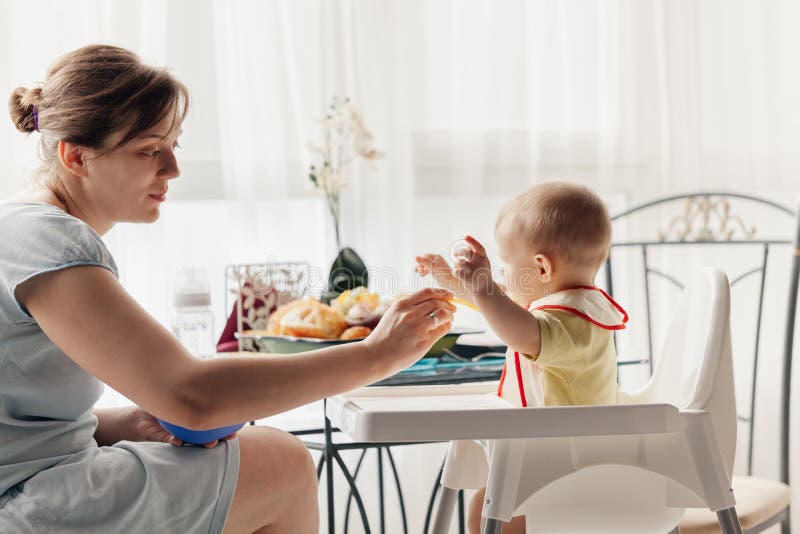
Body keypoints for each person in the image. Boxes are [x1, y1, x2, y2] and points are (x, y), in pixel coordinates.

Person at [0, 44, 456, 534]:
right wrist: (375, 356)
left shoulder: (20, 226)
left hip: (30, 481)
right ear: (76, 156)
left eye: (175, 145)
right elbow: (193, 396)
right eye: (150, 149)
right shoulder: (52, 240)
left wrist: (122, 423)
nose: (173, 168)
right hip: (26, 500)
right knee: (281, 463)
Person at [416, 181, 628, 533]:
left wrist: (483, 287)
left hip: (572, 473)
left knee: (488, 509)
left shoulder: (572, 322)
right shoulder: (558, 308)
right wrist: (454, 281)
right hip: (554, 462)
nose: (501, 274)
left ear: (542, 269)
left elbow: (517, 328)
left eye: (506, 263)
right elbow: (502, 307)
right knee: (484, 504)